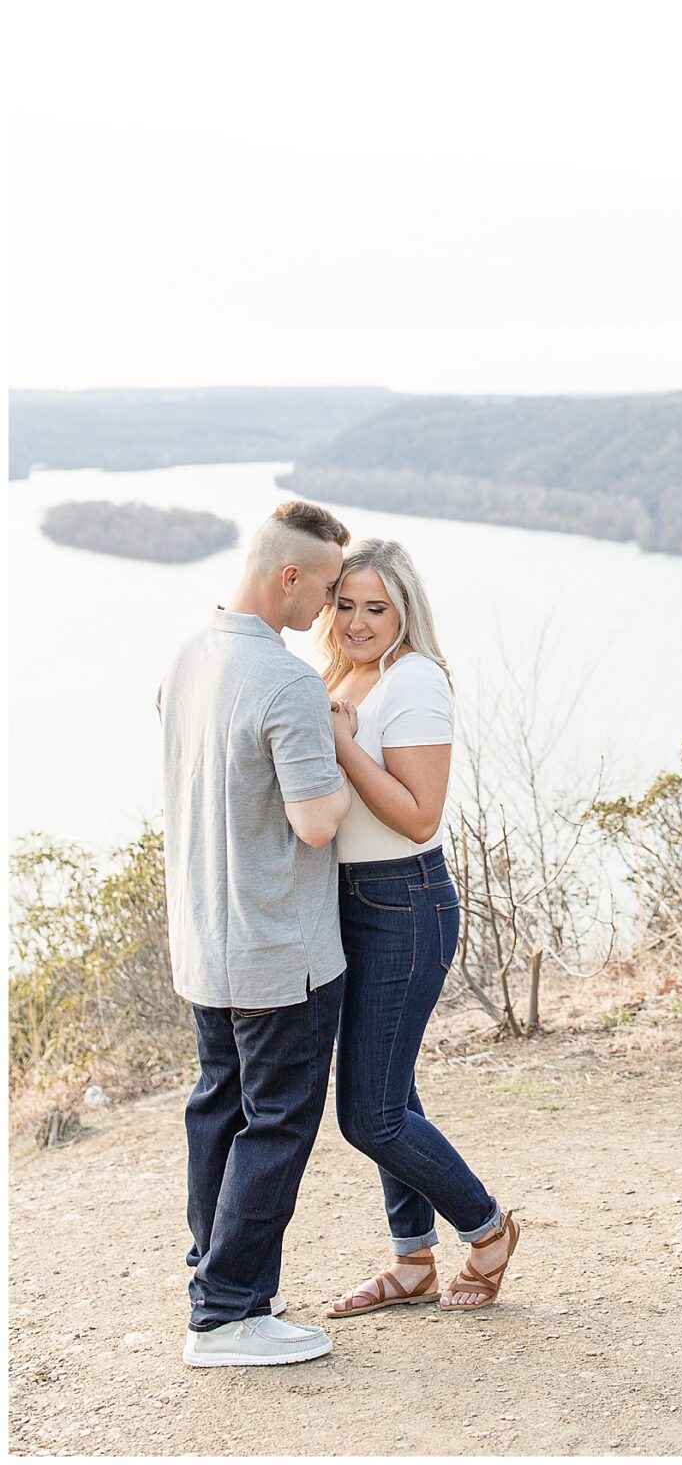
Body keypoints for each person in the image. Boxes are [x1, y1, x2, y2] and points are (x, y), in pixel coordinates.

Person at [159, 499, 352, 1368]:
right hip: (279, 950)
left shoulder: (188, 655)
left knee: (220, 1115)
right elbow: (317, 824)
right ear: (289, 577)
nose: (330, 609)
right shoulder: (287, 683)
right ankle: (226, 1315)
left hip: (203, 941)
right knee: (275, 1126)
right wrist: (345, 748)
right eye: (326, 588)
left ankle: (223, 1282)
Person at [321, 536, 519, 1317]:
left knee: (368, 1113)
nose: (359, 621)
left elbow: (417, 815)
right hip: (351, 902)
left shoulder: (415, 682)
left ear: (405, 610)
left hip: (404, 903)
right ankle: (412, 1263)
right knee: (392, 1093)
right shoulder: (344, 673)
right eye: (345, 605)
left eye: (377, 607)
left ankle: (487, 1226)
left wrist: (340, 745)